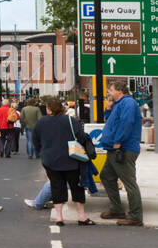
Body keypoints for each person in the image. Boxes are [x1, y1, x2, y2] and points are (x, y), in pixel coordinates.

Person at [32, 96, 94, 226]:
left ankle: (59, 218)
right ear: (61, 108)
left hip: (50, 160)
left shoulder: (41, 122)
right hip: (71, 160)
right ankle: (82, 216)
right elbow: (82, 137)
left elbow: (35, 140)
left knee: (56, 187)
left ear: (49, 109)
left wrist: (42, 153)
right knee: (76, 187)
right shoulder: (71, 121)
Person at [98, 80, 143, 226]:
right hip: (114, 148)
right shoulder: (118, 104)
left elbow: (127, 123)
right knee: (106, 176)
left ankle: (135, 216)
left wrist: (118, 140)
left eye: (110, 90)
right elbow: (110, 120)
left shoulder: (128, 103)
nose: (108, 93)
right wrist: (109, 107)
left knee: (129, 182)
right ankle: (117, 209)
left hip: (123, 148)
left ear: (119, 91)